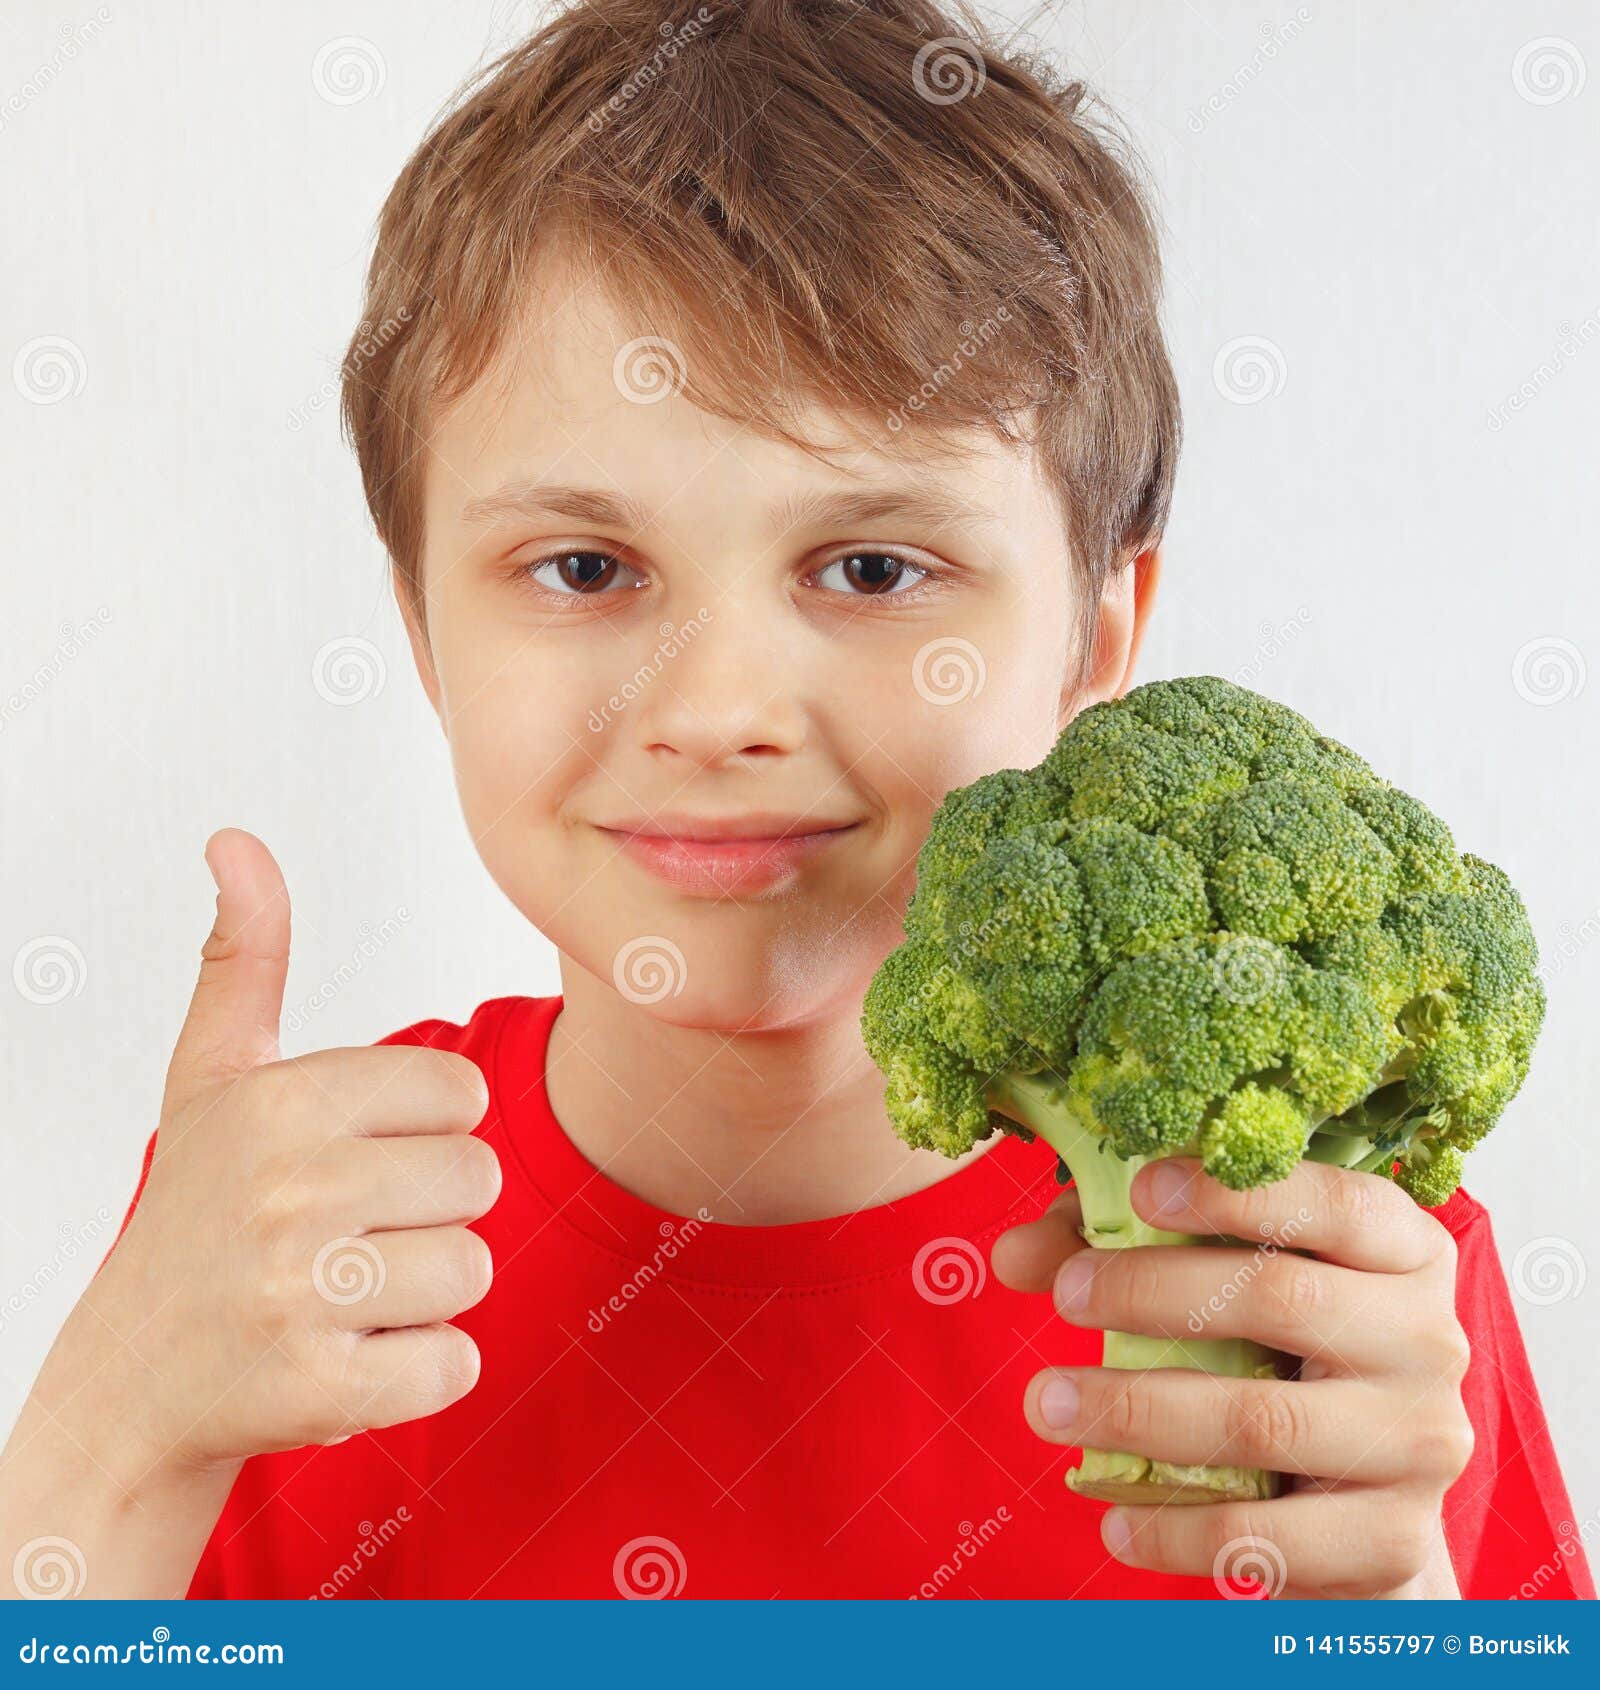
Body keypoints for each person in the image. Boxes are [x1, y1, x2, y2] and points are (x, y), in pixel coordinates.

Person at [2, 0, 1590, 1601]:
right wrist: (107, 1434)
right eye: (583, 567)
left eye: (876, 567)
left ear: (1095, 638)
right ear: (422, 632)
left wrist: (1391, 1624)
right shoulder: (275, 1237)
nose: (716, 712)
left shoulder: (1323, 1267)